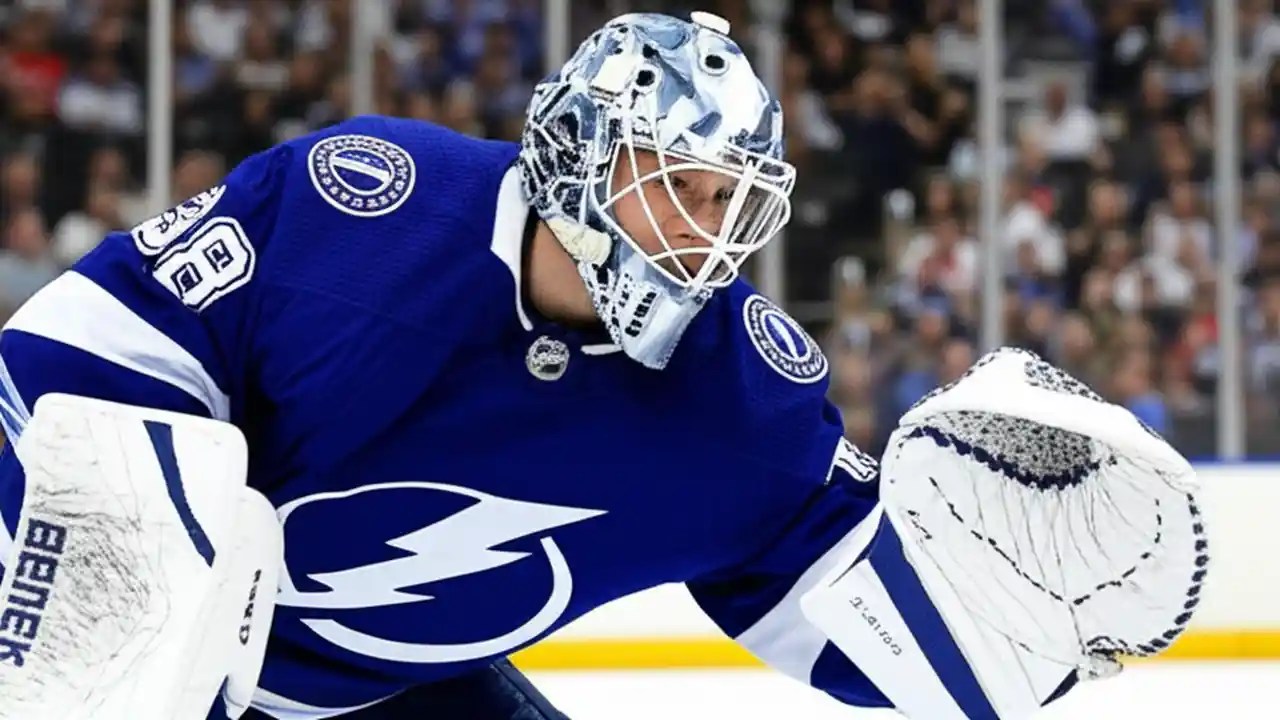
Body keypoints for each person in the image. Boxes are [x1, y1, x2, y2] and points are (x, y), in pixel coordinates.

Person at [0, 12, 1203, 720]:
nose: (706, 230)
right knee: (148, 536)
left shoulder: (739, 405)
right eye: (677, 182)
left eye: (732, 198)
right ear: (577, 153)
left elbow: (880, 628)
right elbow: (63, 367)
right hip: (156, 679)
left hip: (381, 700)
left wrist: (1024, 654)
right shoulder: (366, 208)